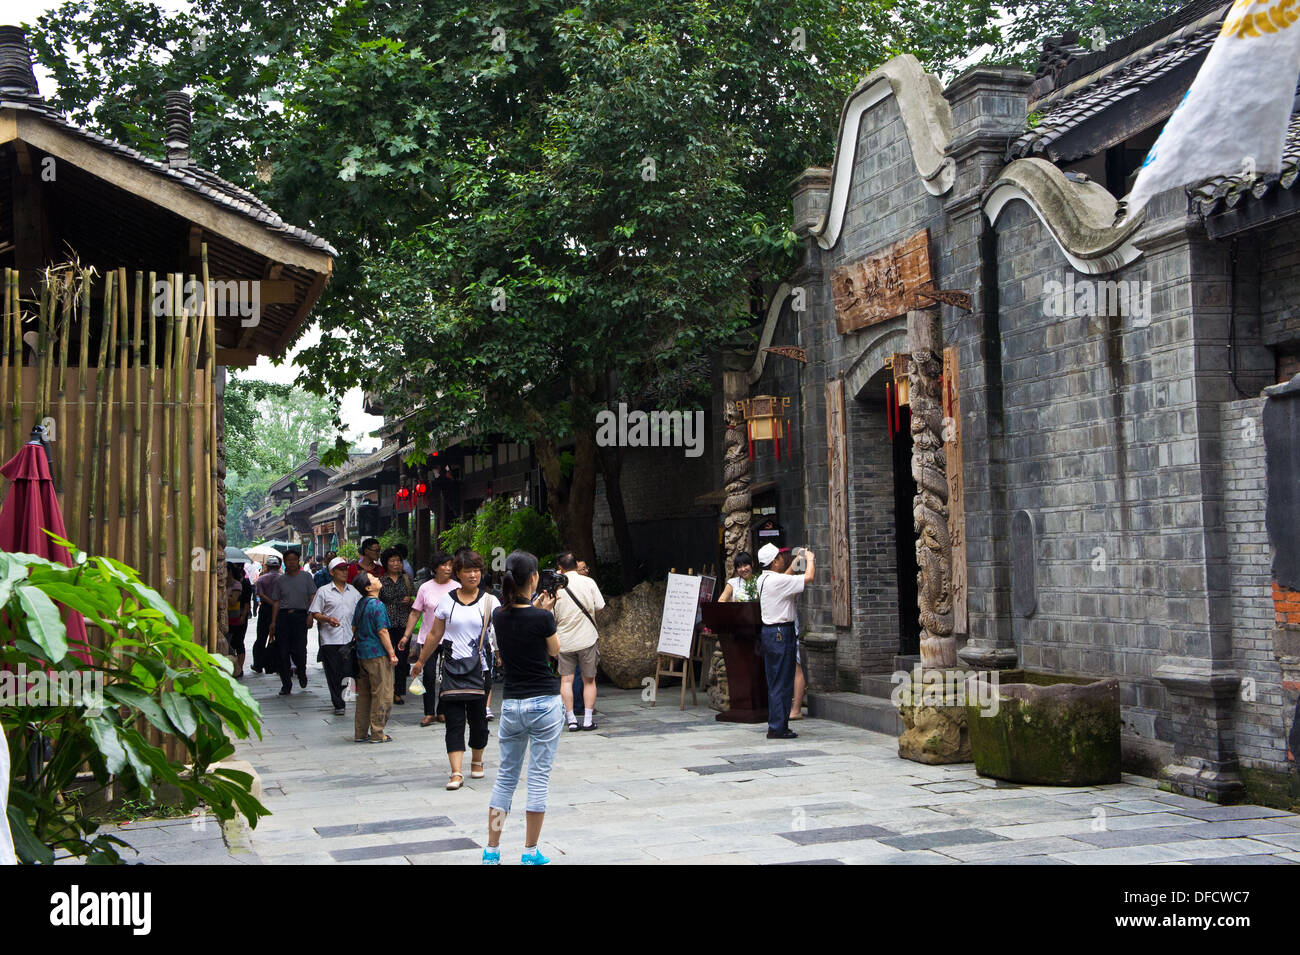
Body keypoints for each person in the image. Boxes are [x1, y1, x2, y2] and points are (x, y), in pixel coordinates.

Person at [482, 549, 564, 865]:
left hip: (512, 704)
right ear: (533, 578)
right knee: (538, 778)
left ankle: (492, 850)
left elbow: (518, 623)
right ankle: (530, 852)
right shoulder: (543, 618)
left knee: (505, 778)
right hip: (544, 703)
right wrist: (546, 612)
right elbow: (555, 652)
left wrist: (537, 608)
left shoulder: (499, 616)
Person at [411, 549, 499, 791]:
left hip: (480, 669)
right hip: (451, 668)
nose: (473, 575)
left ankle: (477, 760)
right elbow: (435, 634)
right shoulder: (447, 601)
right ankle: (456, 772)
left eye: (476, 570)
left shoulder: (490, 601)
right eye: (467, 570)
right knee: (454, 721)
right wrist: (421, 661)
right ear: (458, 573)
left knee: (479, 721)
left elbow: (500, 632)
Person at [755, 542, 815, 740]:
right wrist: (810, 560)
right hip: (781, 633)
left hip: (771, 633)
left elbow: (786, 577)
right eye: (780, 557)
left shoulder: (763, 579)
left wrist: (797, 561)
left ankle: (777, 725)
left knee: (776, 680)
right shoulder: (777, 581)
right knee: (783, 681)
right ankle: (778, 727)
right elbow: (809, 577)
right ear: (774, 562)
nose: (782, 559)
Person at [552, 551, 605, 731]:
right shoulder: (588, 582)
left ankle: (572, 720)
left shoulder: (556, 587)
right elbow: (599, 606)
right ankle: (588, 720)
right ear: (576, 565)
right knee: (589, 680)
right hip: (587, 638)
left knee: (566, 680)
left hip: (564, 640)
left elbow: (549, 614)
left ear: (560, 567)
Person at [403, 552, 457, 726]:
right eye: (444, 565)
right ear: (435, 568)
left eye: (450, 565)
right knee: (428, 674)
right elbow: (415, 613)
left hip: (450, 638)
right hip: (428, 638)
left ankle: (442, 710)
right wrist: (406, 636)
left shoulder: (457, 587)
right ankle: (429, 712)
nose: (448, 568)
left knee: (447, 675)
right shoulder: (425, 587)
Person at [310, 556, 362, 714]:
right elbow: (315, 612)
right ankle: (339, 704)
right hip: (330, 638)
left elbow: (361, 611)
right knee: (333, 672)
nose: (344, 572)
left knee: (348, 671)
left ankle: (346, 696)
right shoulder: (323, 591)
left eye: (346, 569)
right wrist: (327, 619)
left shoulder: (353, 591)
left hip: (349, 639)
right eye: (340, 570)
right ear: (332, 572)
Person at [351, 571, 398, 742]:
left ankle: (360, 732)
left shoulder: (361, 603)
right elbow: (382, 631)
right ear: (368, 588)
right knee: (382, 694)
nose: (377, 578)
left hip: (362, 654)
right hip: (378, 655)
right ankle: (378, 733)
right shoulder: (377, 605)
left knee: (364, 695)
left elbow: (354, 627)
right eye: (373, 578)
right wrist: (392, 654)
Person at [269, 549, 318, 696]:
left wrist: (310, 615)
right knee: (282, 651)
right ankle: (286, 684)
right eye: (288, 560)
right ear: (284, 562)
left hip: (300, 616)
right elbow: (276, 602)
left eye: (294, 559)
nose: (291, 562)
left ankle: (301, 671)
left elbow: (313, 596)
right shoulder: (280, 580)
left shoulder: (306, 577)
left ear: (298, 561)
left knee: (299, 649)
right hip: (283, 617)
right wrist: (273, 622)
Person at [379, 547, 415, 706]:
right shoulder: (380, 582)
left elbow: (415, 599)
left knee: (401, 659)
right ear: (386, 563)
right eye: (392, 561)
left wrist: (410, 600)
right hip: (386, 624)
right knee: (386, 658)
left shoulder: (406, 579)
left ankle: (398, 692)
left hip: (403, 624)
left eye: (398, 561)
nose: (396, 564)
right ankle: (386, 689)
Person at [250, 556, 281, 673]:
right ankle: (278, 664)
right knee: (279, 637)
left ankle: (258, 664)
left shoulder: (262, 579)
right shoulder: (283, 579)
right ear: (278, 566)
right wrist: (276, 604)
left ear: (267, 567)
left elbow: (260, 594)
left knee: (261, 638)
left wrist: (271, 603)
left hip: (265, 609)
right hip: (280, 609)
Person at [225, 562, 253, 678]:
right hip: (226, 618)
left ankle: (239, 668)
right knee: (229, 643)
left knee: (238, 642)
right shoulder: (223, 583)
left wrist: (243, 616)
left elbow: (243, 602)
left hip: (237, 617)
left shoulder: (240, 584)